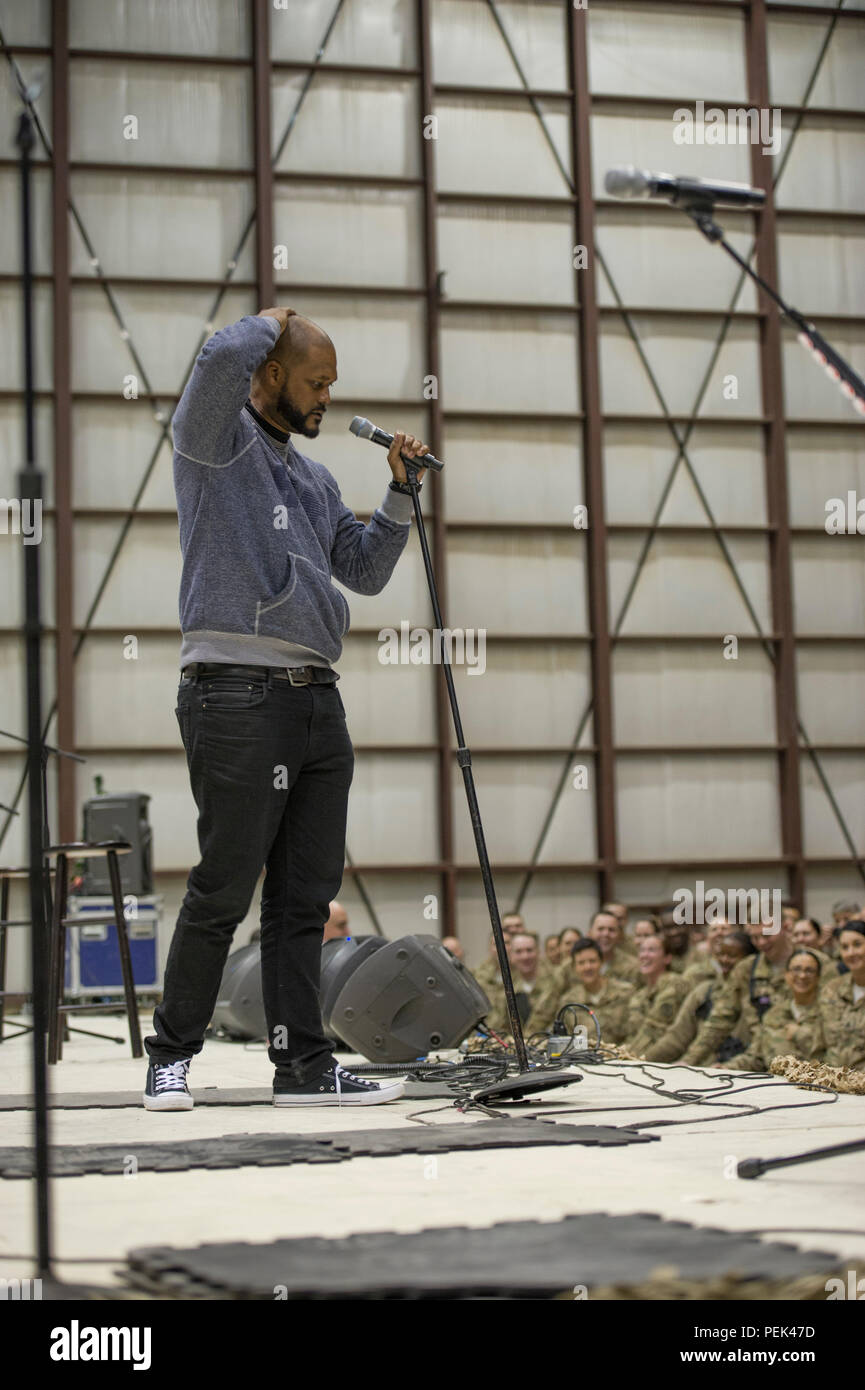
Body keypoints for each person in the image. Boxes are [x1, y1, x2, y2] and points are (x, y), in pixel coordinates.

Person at [143, 307, 431, 1111]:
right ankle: (169, 1056)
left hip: (315, 700)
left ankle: (301, 1070)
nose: (327, 399)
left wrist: (399, 497)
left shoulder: (312, 477)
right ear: (268, 374)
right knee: (223, 884)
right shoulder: (215, 443)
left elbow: (363, 571)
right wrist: (270, 318)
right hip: (234, 691)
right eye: (316, 382)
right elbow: (212, 366)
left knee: (303, 898)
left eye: (332, 385)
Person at [641, 930, 752, 1063]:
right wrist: (640, 1060)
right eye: (721, 955)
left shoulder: (755, 996)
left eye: (732, 956)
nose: (725, 960)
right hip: (700, 1069)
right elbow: (677, 1037)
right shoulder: (704, 992)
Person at [720, 948, 824, 1072]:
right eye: (796, 969)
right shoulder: (773, 1015)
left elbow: (835, 1058)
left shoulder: (829, 1013)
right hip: (776, 1087)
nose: (802, 976)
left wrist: (800, 1034)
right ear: (786, 975)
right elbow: (756, 1057)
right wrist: (726, 1068)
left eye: (809, 971)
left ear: (818, 977)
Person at [533, 938, 634, 1044]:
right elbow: (565, 1041)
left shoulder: (625, 993)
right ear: (574, 967)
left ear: (601, 962)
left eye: (592, 961)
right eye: (581, 963)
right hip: (583, 1058)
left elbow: (634, 1034)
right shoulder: (569, 1003)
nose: (587, 967)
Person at [623, 935, 690, 1056]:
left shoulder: (675, 984)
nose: (645, 955)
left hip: (668, 1059)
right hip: (638, 1059)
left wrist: (631, 1058)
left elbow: (656, 1030)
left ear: (667, 958)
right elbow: (633, 1036)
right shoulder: (638, 996)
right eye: (642, 950)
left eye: (651, 950)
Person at [820, 922, 865, 1071]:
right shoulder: (832, 989)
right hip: (833, 1083)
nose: (851, 953)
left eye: (857, 945)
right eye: (844, 947)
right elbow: (821, 1042)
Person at [588, 910, 642, 987]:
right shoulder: (572, 966)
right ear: (589, 933)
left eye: (611, 930)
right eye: (600, 929)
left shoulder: (634, 967)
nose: (606, 934)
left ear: (619, 936)